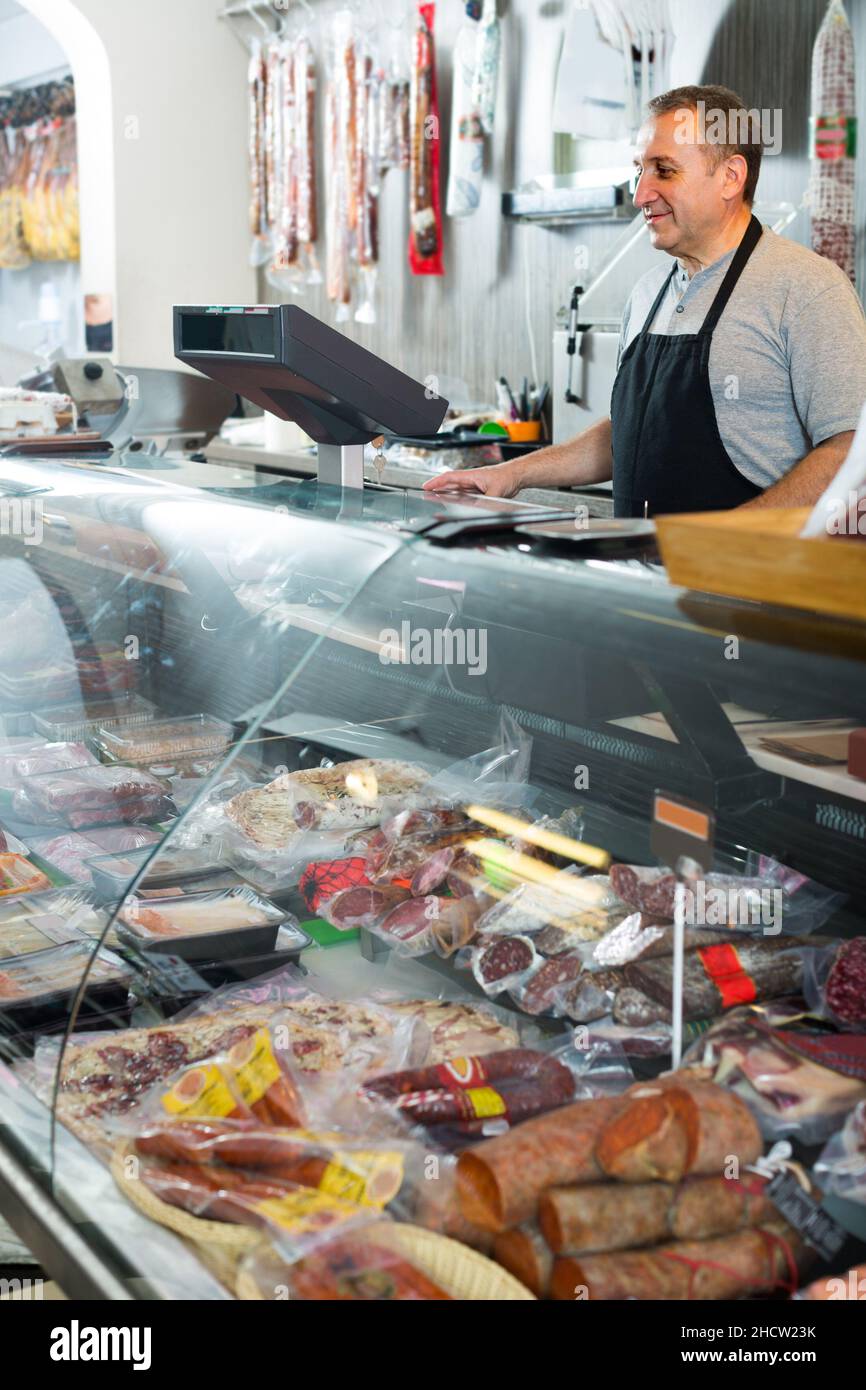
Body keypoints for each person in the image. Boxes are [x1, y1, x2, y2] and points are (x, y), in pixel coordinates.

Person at [425, 84, 866, 516]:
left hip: (750, 581)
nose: (640, 194)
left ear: (730, 177)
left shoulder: (808, 288)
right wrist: (512, 474)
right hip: (646, 580)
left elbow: (851, 450)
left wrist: (732, 543)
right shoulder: (646, 293)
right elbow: (628, 438)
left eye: (664, 170)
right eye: (640, 168)